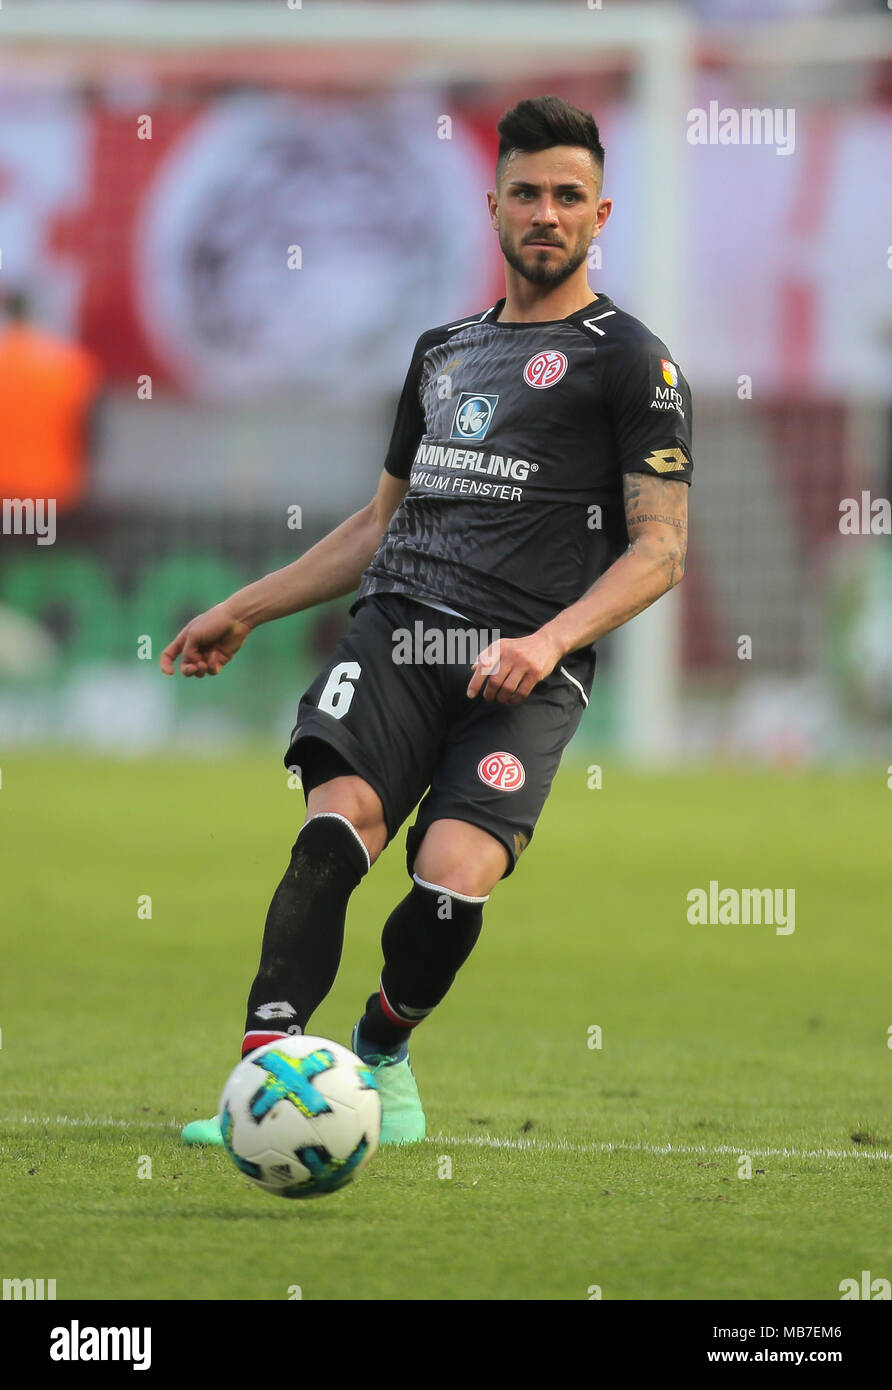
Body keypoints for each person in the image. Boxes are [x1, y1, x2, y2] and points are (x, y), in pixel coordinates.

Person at [162, 96, 693, 1151]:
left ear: (601, 214)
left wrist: (545, 641)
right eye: (528, 193)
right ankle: (263, 1083)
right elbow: (376, 524)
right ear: (492, 207)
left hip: (526, 667)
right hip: (400, 635)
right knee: (335, 824)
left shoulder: (633, 362)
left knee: (452, 880)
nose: (547, 213)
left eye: (568, 197)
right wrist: (245, 608)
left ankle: (382, 1046)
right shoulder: (442, 350)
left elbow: (660, 547)